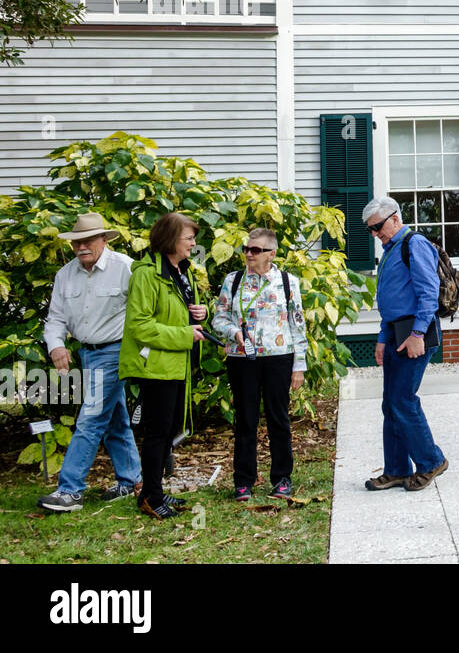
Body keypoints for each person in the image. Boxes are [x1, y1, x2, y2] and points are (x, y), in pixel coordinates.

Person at [36, 213, 142, 512]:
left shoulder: (126, 268)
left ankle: (70, 490)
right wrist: (56, 345)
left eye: (88, 240)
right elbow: (55, 318)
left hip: (117, 352)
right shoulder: (65, 275)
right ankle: (129, 480)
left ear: (104, 239)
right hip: (87, 353)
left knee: (91, 417)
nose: (82, 246)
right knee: (115, 419)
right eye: (77, 242)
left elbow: (147, 310)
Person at [120, 212, 206, 519]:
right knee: (157, 433)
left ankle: (153, 491)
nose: (193, 244)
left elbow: (178, 311)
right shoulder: (146, 274)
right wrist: (185, 334)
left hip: (175, 363)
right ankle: (149, 497)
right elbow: (139, 326)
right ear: (170, 239)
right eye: (189, 238)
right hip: (155, 365)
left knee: (168, 430)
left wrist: (199, 313)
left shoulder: (180, 270)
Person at [212, 228, 307, 501]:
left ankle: (281, 478)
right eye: (246, 249)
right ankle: (243, 480)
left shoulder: (288, 282)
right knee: (245, 420)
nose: (249, 254)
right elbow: (219, 319)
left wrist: (298, 365)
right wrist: (234, 333)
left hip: (279, 357)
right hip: (242, 359)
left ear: (271, 253)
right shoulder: (233, 281)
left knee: (279, 418)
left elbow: (297, 326)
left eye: (256, 250)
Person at [361, 196, 448, 492]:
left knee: (402, 400)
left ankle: (431, 461)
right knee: (391, 403)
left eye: (378, 227)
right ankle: (397, 470)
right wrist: (383, 338)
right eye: (369, 230)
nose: (375, 234)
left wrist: (418, 335)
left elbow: (428, 293)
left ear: (395, 218)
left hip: (414, 333)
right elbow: (390, 302)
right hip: (397, 332)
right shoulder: (390, 249)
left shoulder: (414, 244)